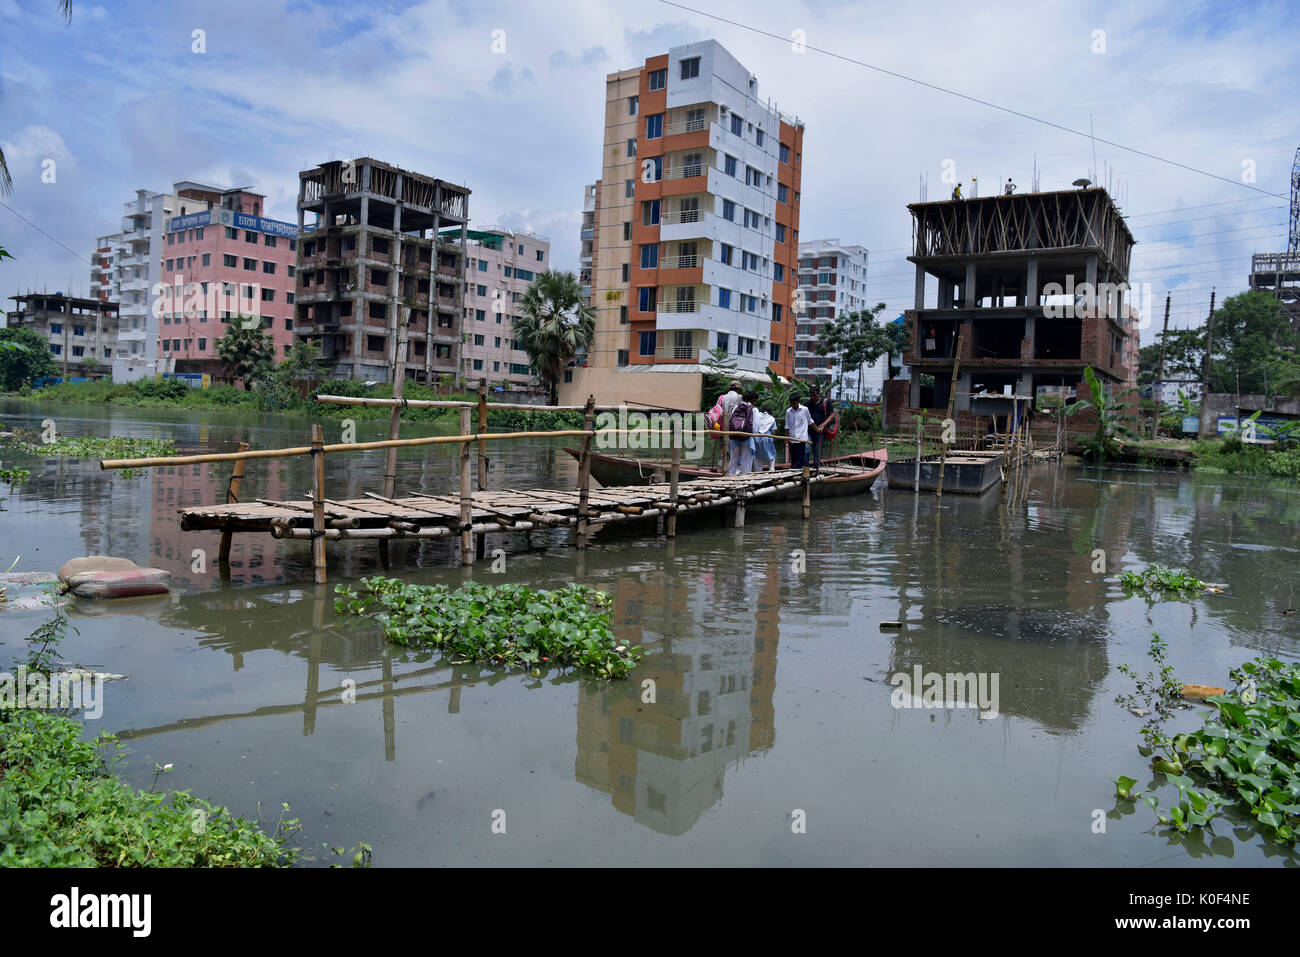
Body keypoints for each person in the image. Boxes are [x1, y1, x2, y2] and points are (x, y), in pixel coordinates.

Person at [806, 385, 838, 471]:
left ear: (819, 394)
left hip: (820, 432)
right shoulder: (808, 403)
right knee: (807, 449)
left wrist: (824, 425)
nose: (813, 397)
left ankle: (816, 470)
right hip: (809, 431)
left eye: (814, 395)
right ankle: (806, 470)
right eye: (811, 395)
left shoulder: (826, 402)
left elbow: (832, 414)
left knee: (817, 453)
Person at [726, 390, 757, 475]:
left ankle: (730, 479)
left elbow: (731, 421)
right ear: (753, 400)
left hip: (734, 436)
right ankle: (744, 480)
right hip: (747, 438)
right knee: (746, 462)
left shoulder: (736, 407)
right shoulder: (754, 409)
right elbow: (755, 427)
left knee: (733, 461)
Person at [785, 394, 813, 469]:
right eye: (791, 403)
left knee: (800, 458)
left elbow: (810, 421)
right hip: (792, 438)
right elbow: (787, 426)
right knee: (793, 458)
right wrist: (787, 439)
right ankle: (794, 472)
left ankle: (798, 472)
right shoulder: (788, 411)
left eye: (794, 403)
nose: (793, 405)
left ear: (798, 402)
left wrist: (818, 430)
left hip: (801, 438)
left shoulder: (804, 409)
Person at [752, 403, 777, 472]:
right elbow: (773, 431)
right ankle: (771, 469)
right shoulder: (771, 418)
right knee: (771, 455)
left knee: (758, 457)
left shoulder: (757, 416)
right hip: (767, 438)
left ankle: (758, 471)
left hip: (757, 438)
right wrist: (774, 440)